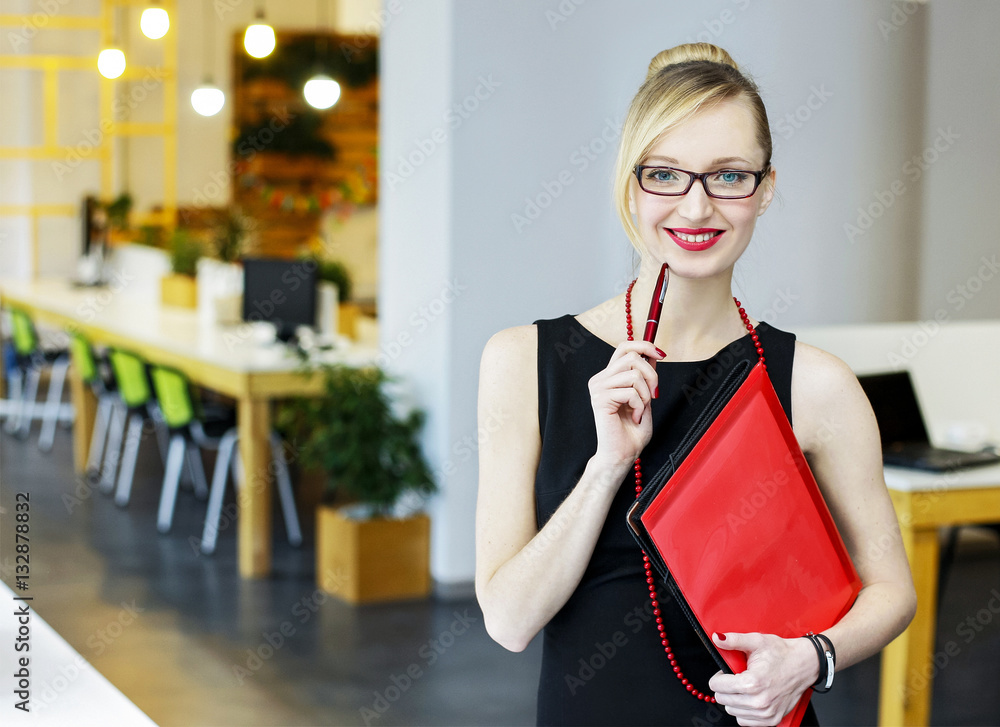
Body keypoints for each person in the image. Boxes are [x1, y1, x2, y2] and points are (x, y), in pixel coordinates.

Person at [475, 42, 916, 727]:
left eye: (729, 176)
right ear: (630, 184)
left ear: (765, 188)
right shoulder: (523, 361)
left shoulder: (816, 384)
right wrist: (606, 466)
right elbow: (508, 620)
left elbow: (892, 589)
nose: (696, 206)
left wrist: (811, 658)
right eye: (665, 175)